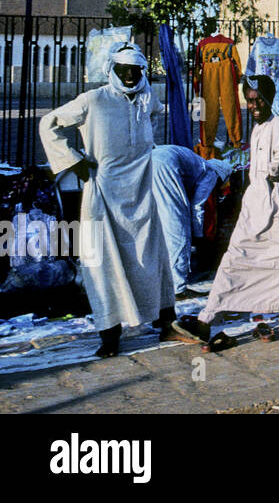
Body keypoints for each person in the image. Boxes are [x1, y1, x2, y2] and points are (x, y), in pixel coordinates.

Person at [38, 43, 180, 358]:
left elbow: (152, 122)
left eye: (136, 70)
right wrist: (74, 162)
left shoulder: (147, 98)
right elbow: (48, 125)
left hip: (141, 195)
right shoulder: (92, 101)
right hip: (102, 195)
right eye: (123, 70)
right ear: (111, 70)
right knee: (102, 266)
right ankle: (110, 334)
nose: (130, 76)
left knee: (151, 259)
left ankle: (166, 320)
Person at [173, 75, 279, 348]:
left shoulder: (278, 126)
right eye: (250, 101)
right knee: (236, 260)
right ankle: (207, 319)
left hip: (278, 208)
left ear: (270, 99)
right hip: (256, 207)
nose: (254, 106)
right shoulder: (257, 129)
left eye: (259, 100)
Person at [150, 145, 232, 298]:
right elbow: (197, 206)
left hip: (151, 160)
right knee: (178, 228)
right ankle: (178, 288)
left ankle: (157, 279)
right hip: (166, 167)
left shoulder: (200, 164)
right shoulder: (210, 174)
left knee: (157, 226)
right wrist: (199, 236)